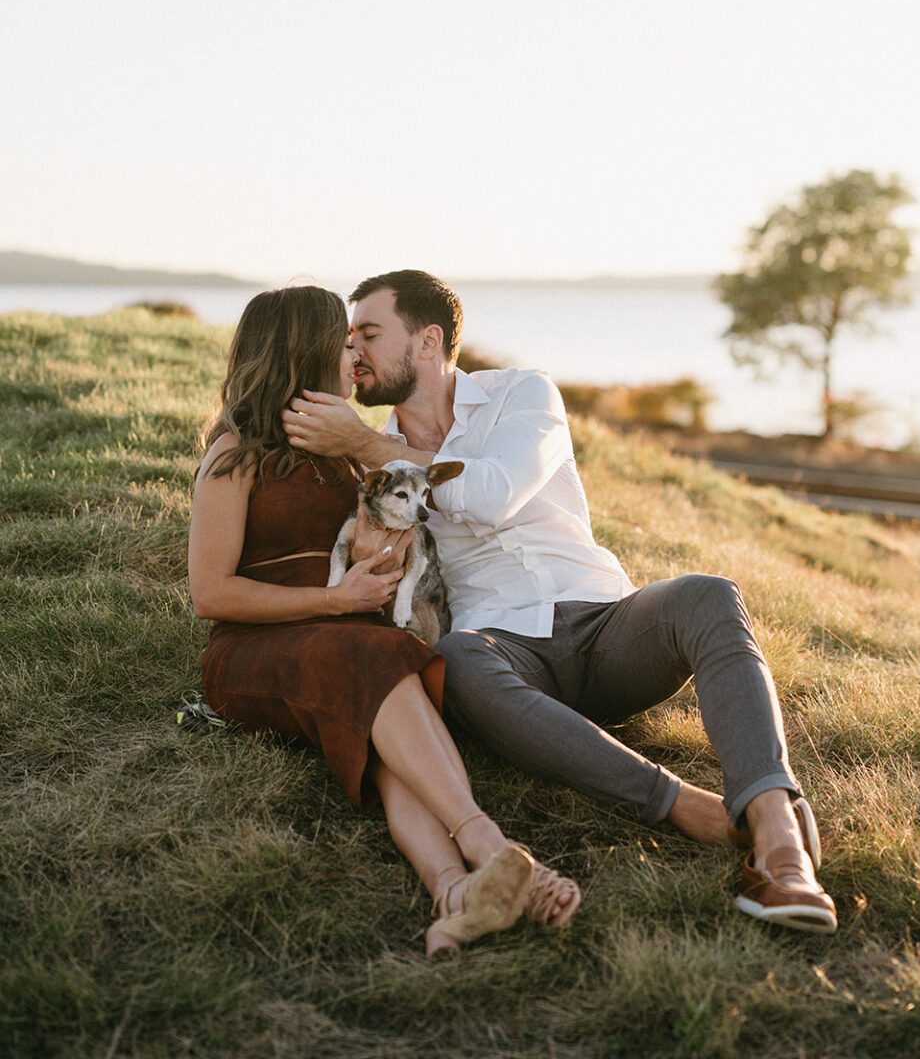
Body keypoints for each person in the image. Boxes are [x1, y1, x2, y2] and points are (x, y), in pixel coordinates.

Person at [282, 270, 838, 934]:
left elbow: (491, 492)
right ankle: (684, 805)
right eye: (351, 340)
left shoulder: (522, 394)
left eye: (369, 334)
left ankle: (778, 834)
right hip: (502, 654)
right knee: (456, 659)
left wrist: (373, 446)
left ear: (427, 342)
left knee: (708, 595)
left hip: (607, 626)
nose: (355, 353)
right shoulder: (369, 472)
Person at [188, 286, 581, 957]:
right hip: (257, 645)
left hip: (349, 638)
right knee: (369, 664)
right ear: (306, 354)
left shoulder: (354, 454)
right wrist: (331, 603)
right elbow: (210, 594)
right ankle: (491, 845)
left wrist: (385, 564)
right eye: (345, 347)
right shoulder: (236, 451)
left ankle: (453, 895)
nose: (356, 362)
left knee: (388, 721)